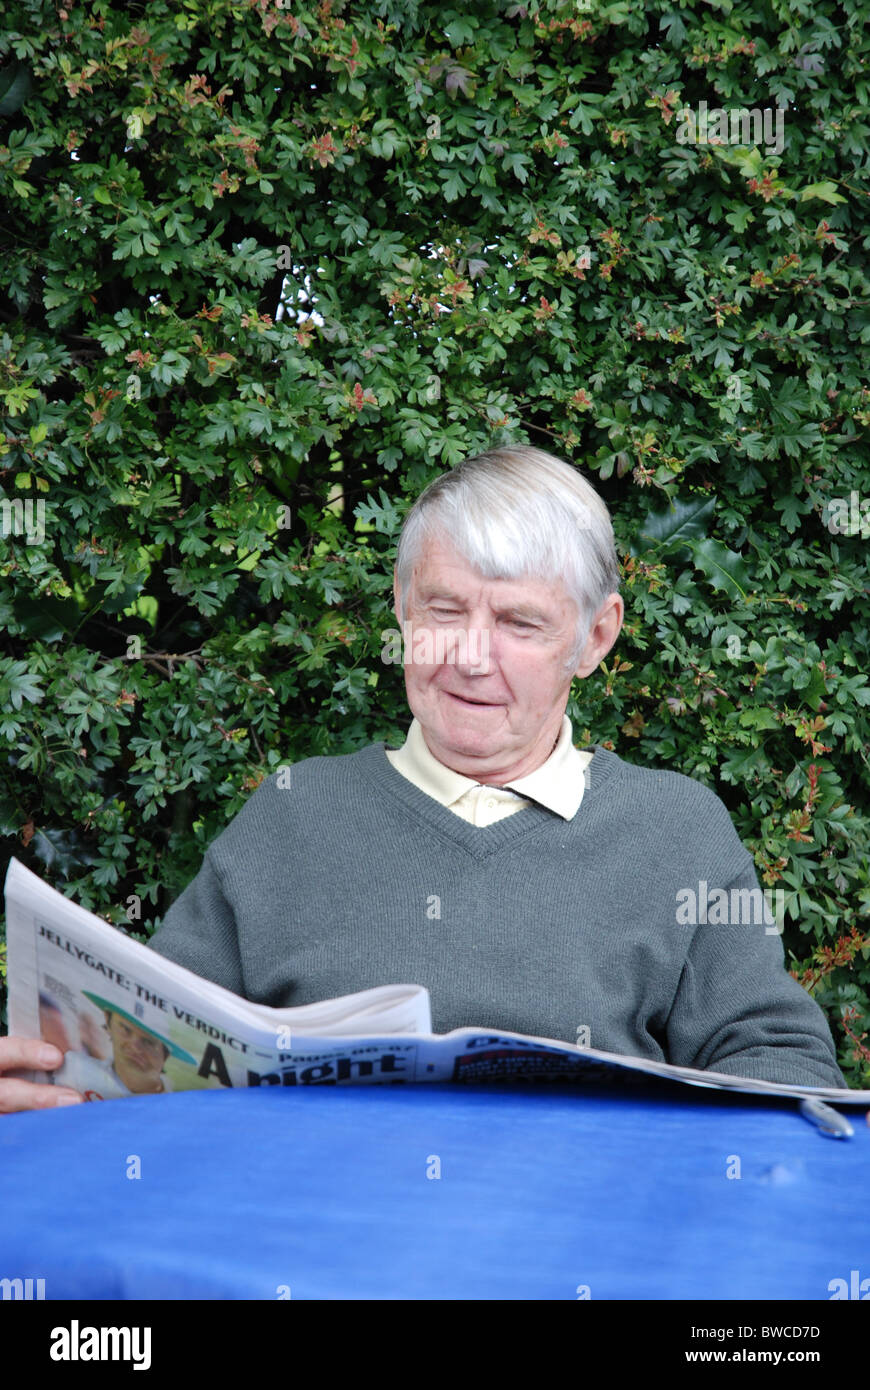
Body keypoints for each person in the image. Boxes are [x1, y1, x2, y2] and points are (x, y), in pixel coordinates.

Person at [0, 446, 846, 1110]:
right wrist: (49, 1076)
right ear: (404, 607)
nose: (470, 657)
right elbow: (144, 1047)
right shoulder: (294, 815)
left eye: (520, 622)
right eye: (444, 610)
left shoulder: (675, 831)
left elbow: (779, 1061)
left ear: (594, 639)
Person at [50, 993, 195, 1100]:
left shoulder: (183, 1099)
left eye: (148, 1042)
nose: (134, 1046)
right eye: (126, 1030)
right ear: (108, 1022)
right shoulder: (73, 1070)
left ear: (165, 1055)